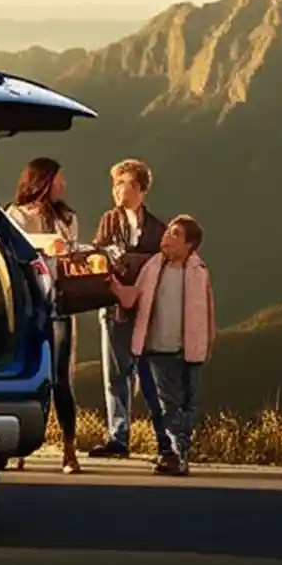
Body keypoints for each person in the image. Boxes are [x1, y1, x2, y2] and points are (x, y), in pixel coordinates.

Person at [109, 215, 215, 476]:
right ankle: (177, 454)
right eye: (167, 231)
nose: (167, 236)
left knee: (189, 403)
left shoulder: (198, 272)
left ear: (189, 245)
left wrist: (208, 342)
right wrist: (112, 285)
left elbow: (208, 311)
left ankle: (179, 451)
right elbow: (133, 297)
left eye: (175, 234)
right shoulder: (154, 266)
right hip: (159, 348)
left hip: (190, 350)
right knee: (169, 403)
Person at [88, 158, 169, 462]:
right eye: (116, 184)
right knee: (115, 374)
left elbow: (161, 267)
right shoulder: (108, 220)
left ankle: (165, 439)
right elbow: (99, 257)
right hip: (114, 306)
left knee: (151, 374)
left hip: (146, 309)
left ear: (141, 189)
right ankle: (118, 437)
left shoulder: (159, 228)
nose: (119, 190)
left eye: (126, 183)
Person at [5, 157, 81, 475]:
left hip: (59, 303)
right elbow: (13, 248)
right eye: (59, 179)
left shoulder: (67, 218)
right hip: (29, 303)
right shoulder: (14, 215)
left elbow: (72, 254)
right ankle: (20, 447)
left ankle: (69, 447)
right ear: (44, 182)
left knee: (61, 377)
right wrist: (47, 244)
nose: (63, 185)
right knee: (28, 375)